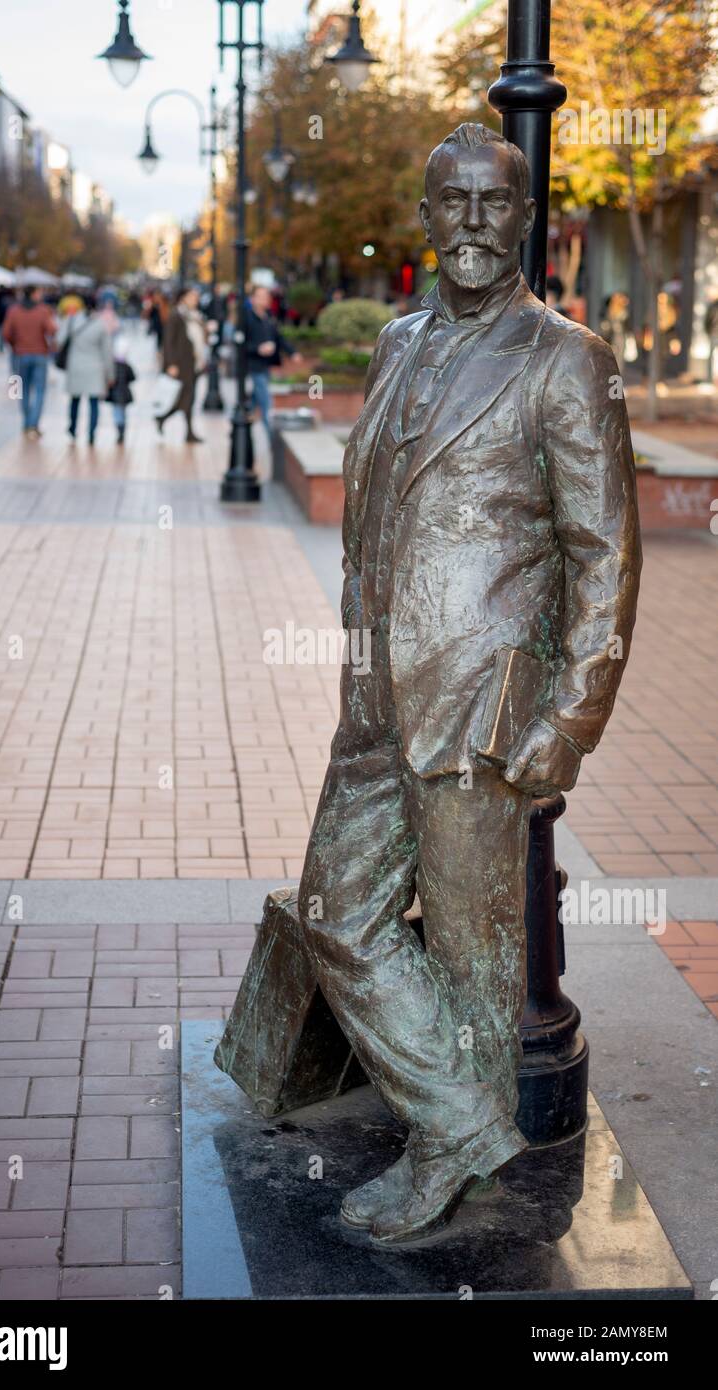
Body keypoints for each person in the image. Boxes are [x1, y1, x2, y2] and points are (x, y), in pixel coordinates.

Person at [289, 123, 641, 1243]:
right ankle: (464, 1123)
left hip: (483, 711)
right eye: (456, 203)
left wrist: (569, 719)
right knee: (336, 914)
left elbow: (605, 555)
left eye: (498, 202)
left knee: (472, 955)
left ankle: (449, 1148)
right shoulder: (392, 342)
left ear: (524, 215)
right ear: (427, 217)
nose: (477, 223)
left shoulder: (564, 357)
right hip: (379, 702)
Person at [56, 293, 114, 445]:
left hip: (75, 366)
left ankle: (73, 429)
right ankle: (91, 433)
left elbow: (59, 340)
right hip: (95, 367)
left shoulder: (71, 320)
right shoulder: (101, 324)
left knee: (74, 399)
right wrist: (110, 374)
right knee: (94, 402)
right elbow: (107, 352)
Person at [245, 285, 302, 439]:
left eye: (267, 296)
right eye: (261, 296)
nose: (265, 299)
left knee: (252, 404)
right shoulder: (247, 318)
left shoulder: (269, 317)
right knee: (266, 405)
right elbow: (241, 344)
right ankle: (273, 440)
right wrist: (258, 348)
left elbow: (279, 338)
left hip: (266, 366)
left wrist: (293, 353)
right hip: (254, 367)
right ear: (253, 299)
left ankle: (244, 425)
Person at [2, 286, 57, 439]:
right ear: (33, 294)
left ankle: (27, 423)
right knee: (39, 390)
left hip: (20, 354)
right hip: (40, 354)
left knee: (22, 390)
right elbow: (52, 329)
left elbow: (6, 333)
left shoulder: (14, 311)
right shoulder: (43, 310)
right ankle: (33, 424)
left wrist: (15, 344)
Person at [156, 287, 207, 443]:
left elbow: (199, 338)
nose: (195, 300)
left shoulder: (194, 316)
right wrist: (171, 363)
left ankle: (165, 419)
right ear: (183, 298)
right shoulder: (176, 316)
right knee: (186, 397)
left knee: (187, 398)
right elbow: (168, 342)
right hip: (182, 364)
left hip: (194, 363)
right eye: (192, 296)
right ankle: (169, 420)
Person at [107, 333, 136, 445]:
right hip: (124, 394)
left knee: (117, 412)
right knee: (122, 412)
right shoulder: (126, 366)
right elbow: (133, 377)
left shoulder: (112, 366)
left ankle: (119, 428)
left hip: (115, 395)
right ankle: (121, 428)